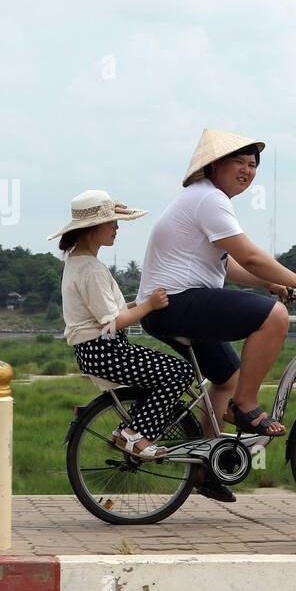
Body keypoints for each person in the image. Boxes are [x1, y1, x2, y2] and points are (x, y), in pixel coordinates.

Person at [138, 128, 296, 437]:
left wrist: (269, 283)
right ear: (214, 165)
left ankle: (206, 464)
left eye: (252, 165)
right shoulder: (209, 199)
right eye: (238, 162)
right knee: (274, 316)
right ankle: (245, 405)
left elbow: (226, 267)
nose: (247, 171)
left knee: (228, 378)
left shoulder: (201, 197)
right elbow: (249, 255)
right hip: (174, 302)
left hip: (168, 306)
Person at [50, 190, 195, 462]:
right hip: (106, 350)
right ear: (92, 228)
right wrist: (149, 306)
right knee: (180, 372)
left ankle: (126, 433)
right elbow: (111, 323)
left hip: (94, 352)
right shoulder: (91, 269)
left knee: (163, 376)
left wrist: (139, 303)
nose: (117, 228)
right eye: (112, 222)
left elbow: (108, 311)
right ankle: (134, 434)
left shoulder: (77, 263)